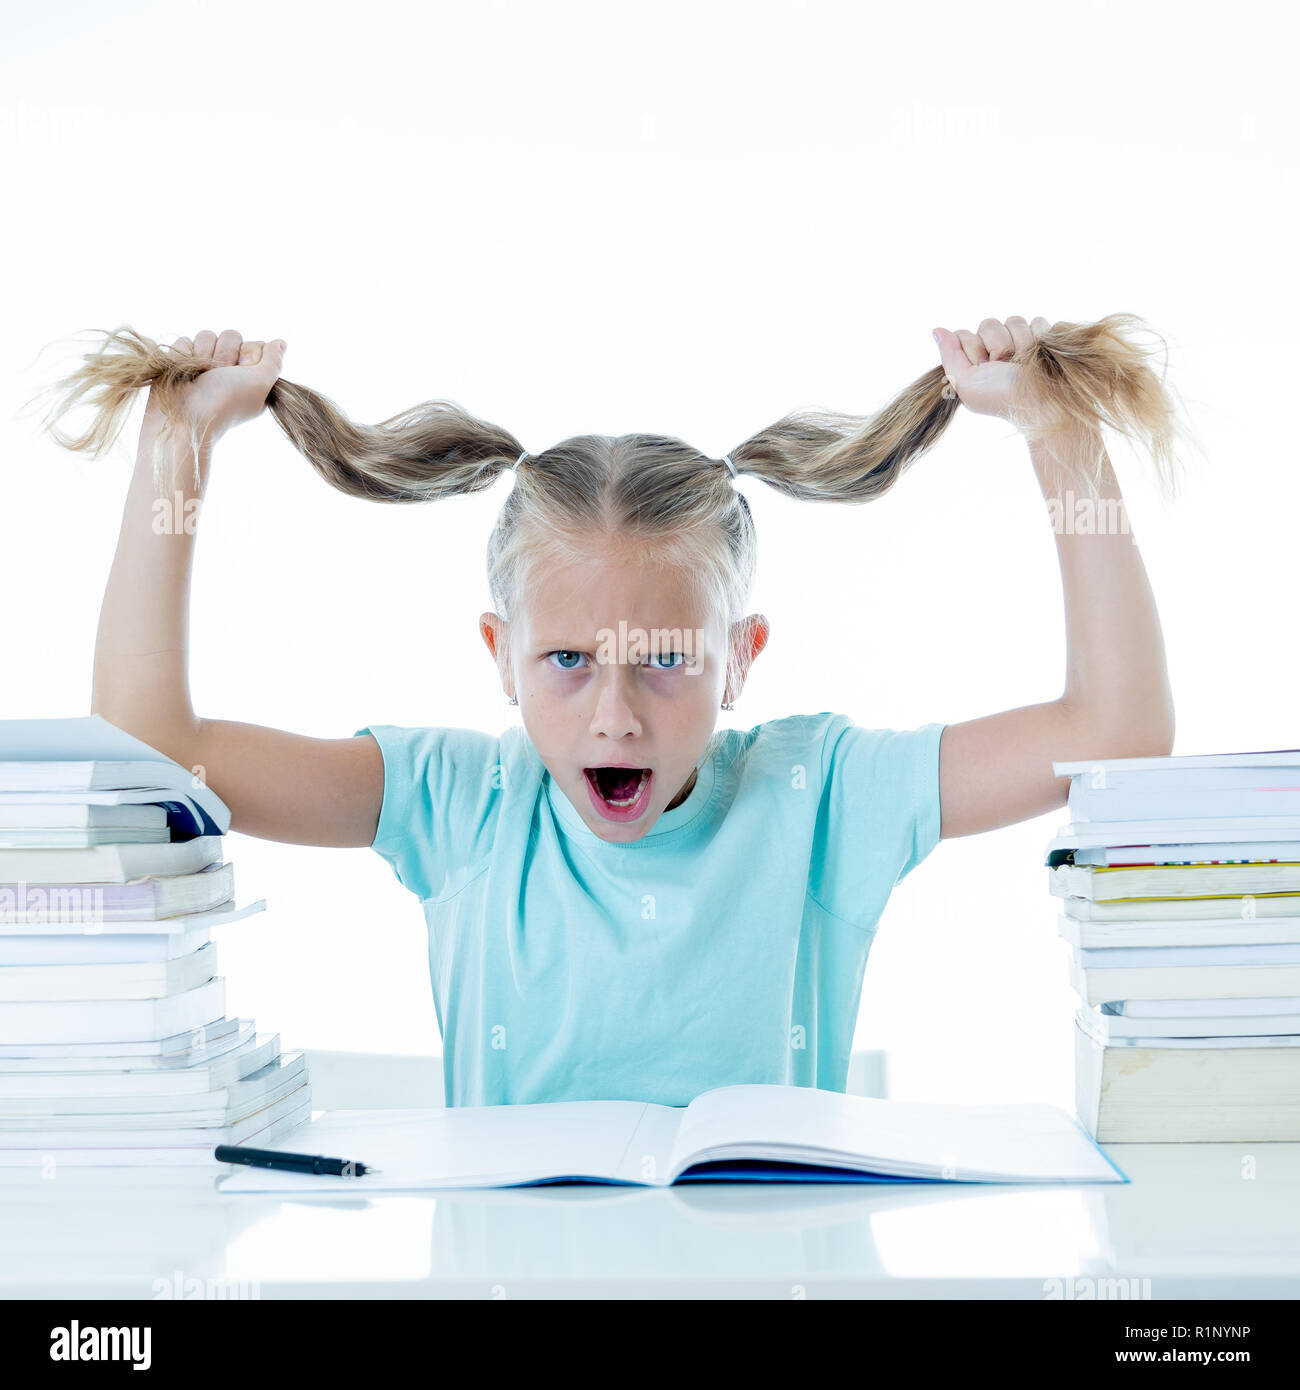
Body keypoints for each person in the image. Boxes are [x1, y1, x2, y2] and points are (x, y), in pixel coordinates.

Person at [45, 316, 1177, 1105]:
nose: (616, 715)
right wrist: (176, 445)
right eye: (571, 660)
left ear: (742, 659)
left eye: (668, 659)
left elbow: (1111, 735)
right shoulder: (458, 802)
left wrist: (1058, 429)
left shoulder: (821, 796)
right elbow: (153, 760)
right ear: (500, 656)